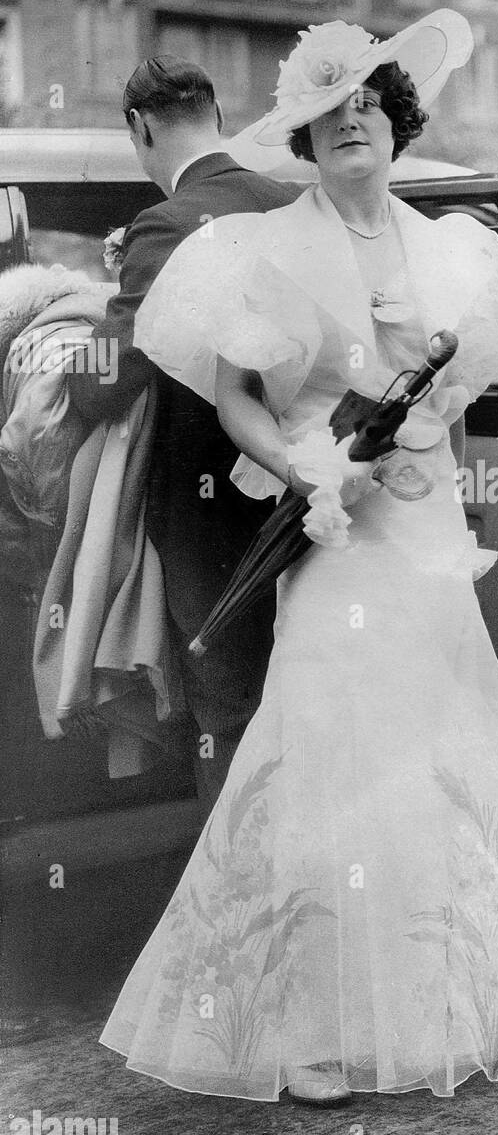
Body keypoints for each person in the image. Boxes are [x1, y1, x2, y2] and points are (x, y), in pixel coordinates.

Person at [99, 9, 498, 1103]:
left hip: (426, 531)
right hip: (334, 531)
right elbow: (235, 396)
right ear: (305, 137)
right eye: (331, 114)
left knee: (440, 738)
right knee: (329, 742)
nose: (355, 124)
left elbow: (457, 402)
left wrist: (427, 469)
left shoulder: (453, 253)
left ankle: (448, 1005)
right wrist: (303, 468)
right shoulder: (263, 247)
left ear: (400, 124)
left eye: (373, 107)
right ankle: (315, 1029)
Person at [69, 58, 299, 815]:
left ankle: (240, 902)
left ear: (140, 128)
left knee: (228, 717)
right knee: (296, 704)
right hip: (300, 506)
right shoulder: (289, 202)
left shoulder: (165, 225)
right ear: (217, 114)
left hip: (209, 524)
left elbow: (101, 382)